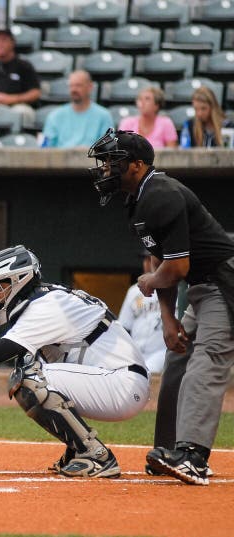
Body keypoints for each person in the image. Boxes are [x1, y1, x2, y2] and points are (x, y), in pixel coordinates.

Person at [0, 245, 150, 479]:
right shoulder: (43, 300)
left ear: (19, 280)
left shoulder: (47, 305)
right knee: (30, 366)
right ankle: (78, 448)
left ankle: (96, 456)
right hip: (110, 379)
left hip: (122, 384)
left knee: (30, 378)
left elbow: (3, 350)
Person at [88, 128, 234, 485]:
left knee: (207, 362)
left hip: (224, 282)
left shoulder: (161, 194)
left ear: (137, 165)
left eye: (113, 161)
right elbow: (160, 261)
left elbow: (174, 269)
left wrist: (149, 283)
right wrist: (168, 321)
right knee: (178, 360)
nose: (106, 167)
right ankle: (168, 449)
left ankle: (193, 456)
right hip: (201, 286)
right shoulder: (138, 200)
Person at [118, 249, 167, 373]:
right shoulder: (133, 291)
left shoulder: (174, 289)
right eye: (145, 259)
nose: (147, 263)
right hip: (136, 352)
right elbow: (124, 327)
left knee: (147, 372)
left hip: (162, 351)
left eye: (150, 258)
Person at [42, 70, 113, 148]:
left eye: (78, 85)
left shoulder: (104, 116)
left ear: (90, 87)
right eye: (71, 86)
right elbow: (46, 149)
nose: (74, 90)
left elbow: (107, 149)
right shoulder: (55, 116)